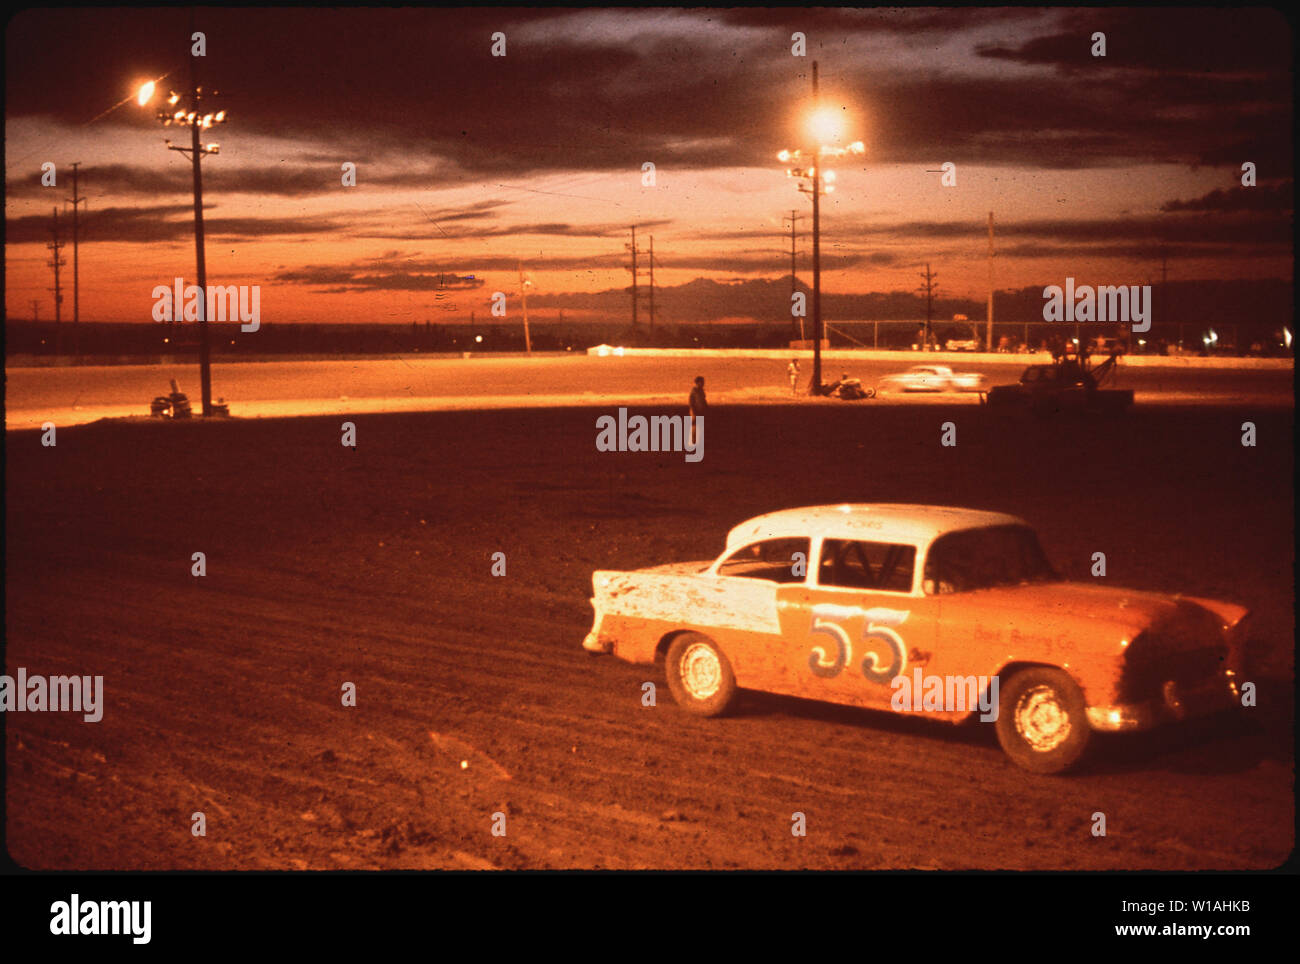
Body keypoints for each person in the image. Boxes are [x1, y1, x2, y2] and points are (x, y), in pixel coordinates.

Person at [688, 375, 707, 445]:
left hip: (701, 410)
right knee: (695, 425)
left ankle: (698, 440)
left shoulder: (701, 391)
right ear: (698, 382)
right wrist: (693, 411)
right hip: (695, 410)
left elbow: (704, 400)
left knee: (700, 425)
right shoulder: (694, 391)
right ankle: (693, 440)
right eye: (702, 382)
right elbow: (691, 401)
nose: (703, 383)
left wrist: (706, 407)